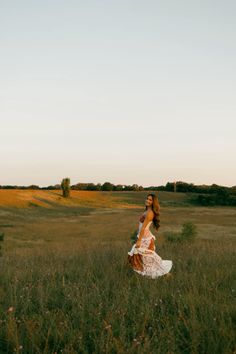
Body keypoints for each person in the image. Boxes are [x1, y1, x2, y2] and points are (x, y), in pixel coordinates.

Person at [127, 193, 172, 279]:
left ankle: (165, 273)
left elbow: (143, 228)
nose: (147, 200)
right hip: (144, 237)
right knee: (143, 257)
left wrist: (139, 240)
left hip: (145, 239)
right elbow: (143, 227)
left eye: (150, 200)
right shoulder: (147, 211)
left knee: (147, 257)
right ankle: (156, 274)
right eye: (147, 198)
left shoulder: (150, 213)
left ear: (153, 202)